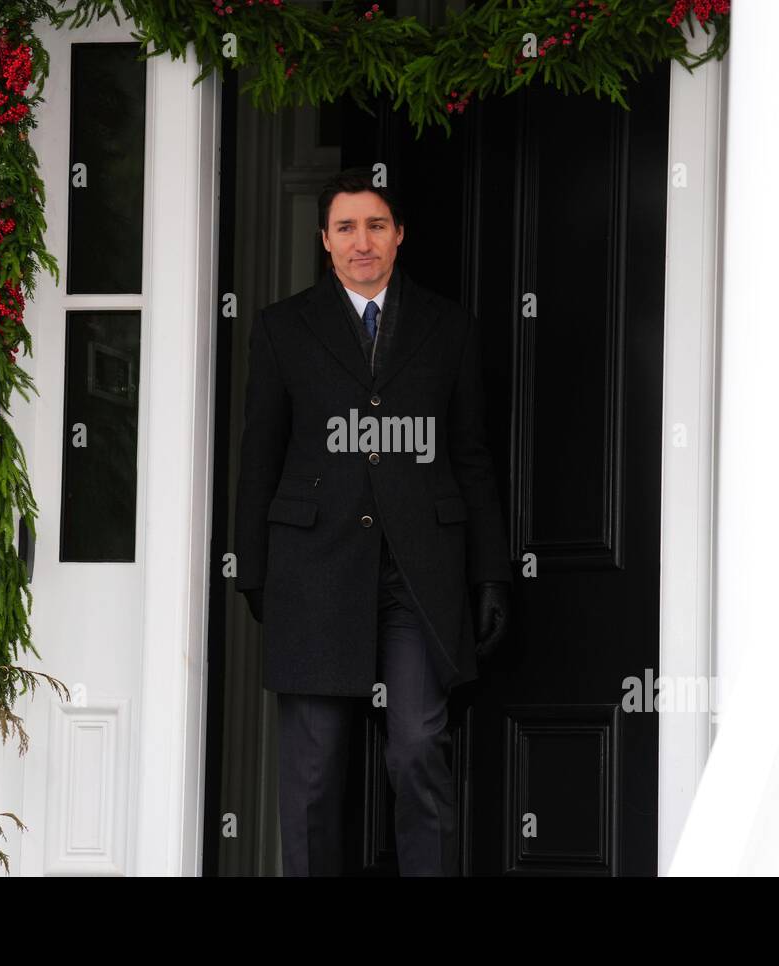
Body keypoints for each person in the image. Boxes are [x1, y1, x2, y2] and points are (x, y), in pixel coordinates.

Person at [234, 167, 512, 876]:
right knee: (314, 772)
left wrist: (490, 572)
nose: (364, 241)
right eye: (348, 227)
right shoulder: (281, 328)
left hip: (418, 575)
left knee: (419, 749)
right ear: (324, 239)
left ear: (399, 236)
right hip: (313, 571)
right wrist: (254, 568)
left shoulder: (449, 327)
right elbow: (259, 454)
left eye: (377, 225)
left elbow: (472, 456)